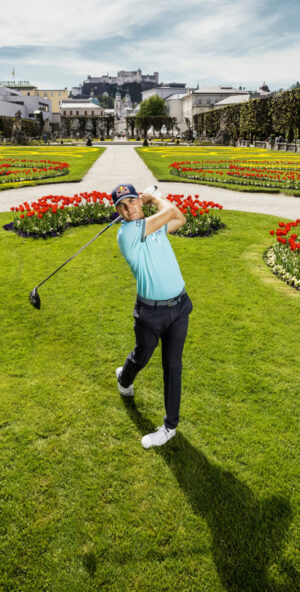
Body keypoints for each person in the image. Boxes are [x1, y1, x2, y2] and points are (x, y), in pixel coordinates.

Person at [111, 183, 193, 449]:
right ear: (118, 211)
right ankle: (125, 377)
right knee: (142, 355)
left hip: (179, 307)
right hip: (151, 313)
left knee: (173, 365)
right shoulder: (127, 233)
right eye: (122, 206)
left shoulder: (154, 227)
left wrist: (152, 203)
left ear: (138, 201)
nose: (128, 208)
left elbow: (179, 217)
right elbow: (169, 211)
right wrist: (154, 198)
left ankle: (170, 427)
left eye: (132, 201)